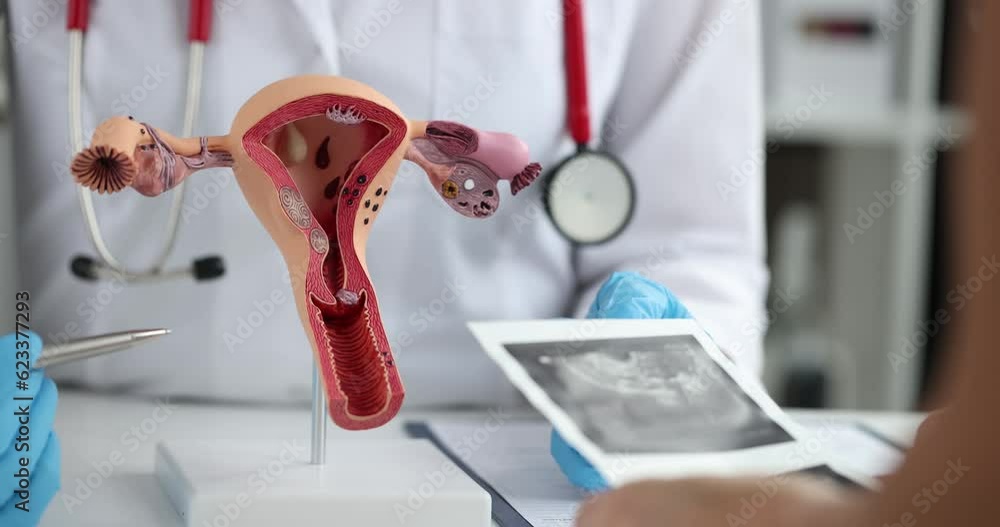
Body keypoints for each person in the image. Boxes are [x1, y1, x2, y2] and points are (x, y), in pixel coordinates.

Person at [4, 0, 767, 519]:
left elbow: (694, 244)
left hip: (502, 471)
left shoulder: (393, 141)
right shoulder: (258, 150)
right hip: (100, 467)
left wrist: (649, 386)